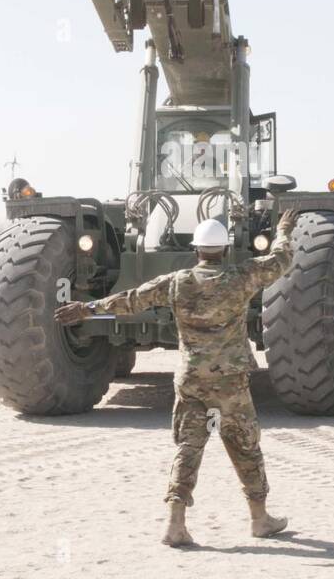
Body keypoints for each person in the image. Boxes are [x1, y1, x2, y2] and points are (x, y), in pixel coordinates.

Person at [54, 208, 301, 546]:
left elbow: (130, 300)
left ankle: (175, 524)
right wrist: (284, 229)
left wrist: (87, 309)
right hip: (230, 382)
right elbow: (282, 259)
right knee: (246, 448)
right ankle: (259, 519)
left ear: (196, 250)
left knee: (188, 448)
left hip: (191, 380)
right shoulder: (243, 277)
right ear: (225, 250)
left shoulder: (177, 282)